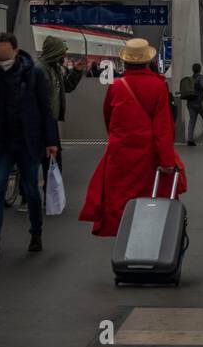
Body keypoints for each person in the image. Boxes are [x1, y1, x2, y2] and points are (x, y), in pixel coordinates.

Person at [79, 38, 186, 237]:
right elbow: (163, 127)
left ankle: (125, 240)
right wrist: (167, 161)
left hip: (120, 155)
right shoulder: (157, 86)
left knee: (120, 200)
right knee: (149, 198)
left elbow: (108, 118)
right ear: (148, 61)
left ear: (125, 62)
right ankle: (147, 240)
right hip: (148, 156)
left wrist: (118, 140)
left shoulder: (117, 86)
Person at [0, 32, 59, 257]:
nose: (0, 55)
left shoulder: (34, 74)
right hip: (1, 141)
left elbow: (45, 109)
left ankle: (36, 233)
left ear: (15, 51)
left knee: (30, 189)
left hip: (28, 141)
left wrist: (51, 141)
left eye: (4, 52)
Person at [34, 34, 82, 182]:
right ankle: (30, 196)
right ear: (54, 52)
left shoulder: (55, 69)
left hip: (50, 122)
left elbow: (66, 87)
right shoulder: (40, 70)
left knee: (52, 163)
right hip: (39, 124)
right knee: (42, 161)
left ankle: (49, 200)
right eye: (62, 52)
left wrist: (76, 72)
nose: (64, 55)